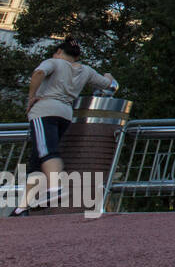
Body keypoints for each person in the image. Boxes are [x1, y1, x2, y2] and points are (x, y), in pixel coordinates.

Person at [9, 38, 116, 216]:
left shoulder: (54, 62)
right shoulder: (86, 70)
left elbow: (38, 73)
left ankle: (54, 187)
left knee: (46, 152)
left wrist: (31, 97)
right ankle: (22, 207)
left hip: (45, 110)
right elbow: (109, 84)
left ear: (59, 51)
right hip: (65, 113)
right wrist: (108, 75)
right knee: (37, 160)